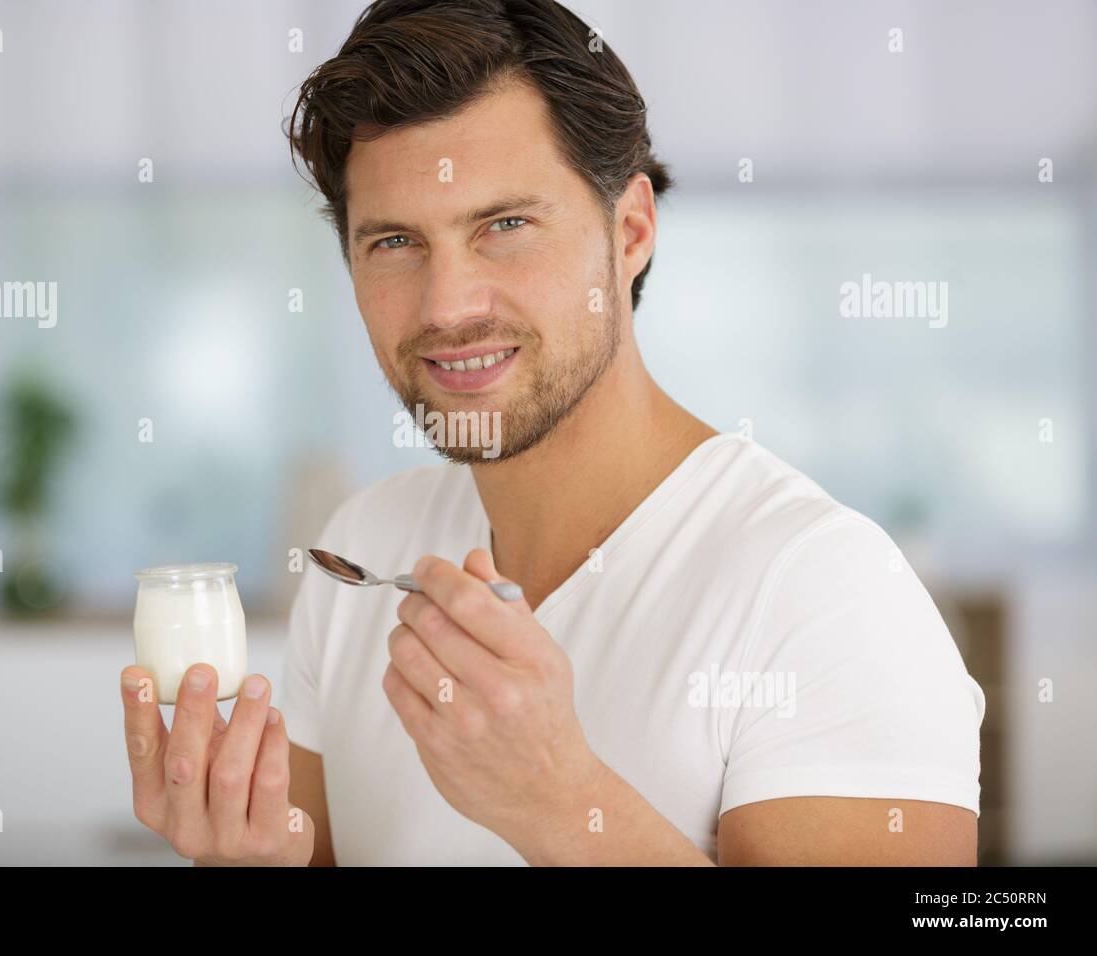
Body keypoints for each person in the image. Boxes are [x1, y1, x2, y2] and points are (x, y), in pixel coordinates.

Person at [120, 0, 984, 866]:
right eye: (394, 241)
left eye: (505, 225)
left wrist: (558, 802)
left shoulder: (821, 590)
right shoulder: (361, 550)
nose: (447, 306)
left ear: (631, 230)